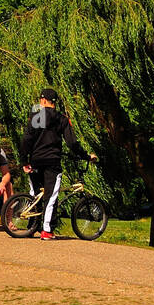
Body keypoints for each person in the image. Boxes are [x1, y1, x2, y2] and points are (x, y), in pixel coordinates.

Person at [19, 88, 98, 240]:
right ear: (54, 102)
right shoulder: (62, 119)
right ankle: (47, 230)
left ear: (43, 101)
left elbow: (27, 139)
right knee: (51, 195)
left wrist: (24, 160)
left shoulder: (37, 116)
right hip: (52, 161)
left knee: (34, 193)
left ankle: (31, 226)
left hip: (35, 160)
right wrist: (86, 156)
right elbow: (72, 143)